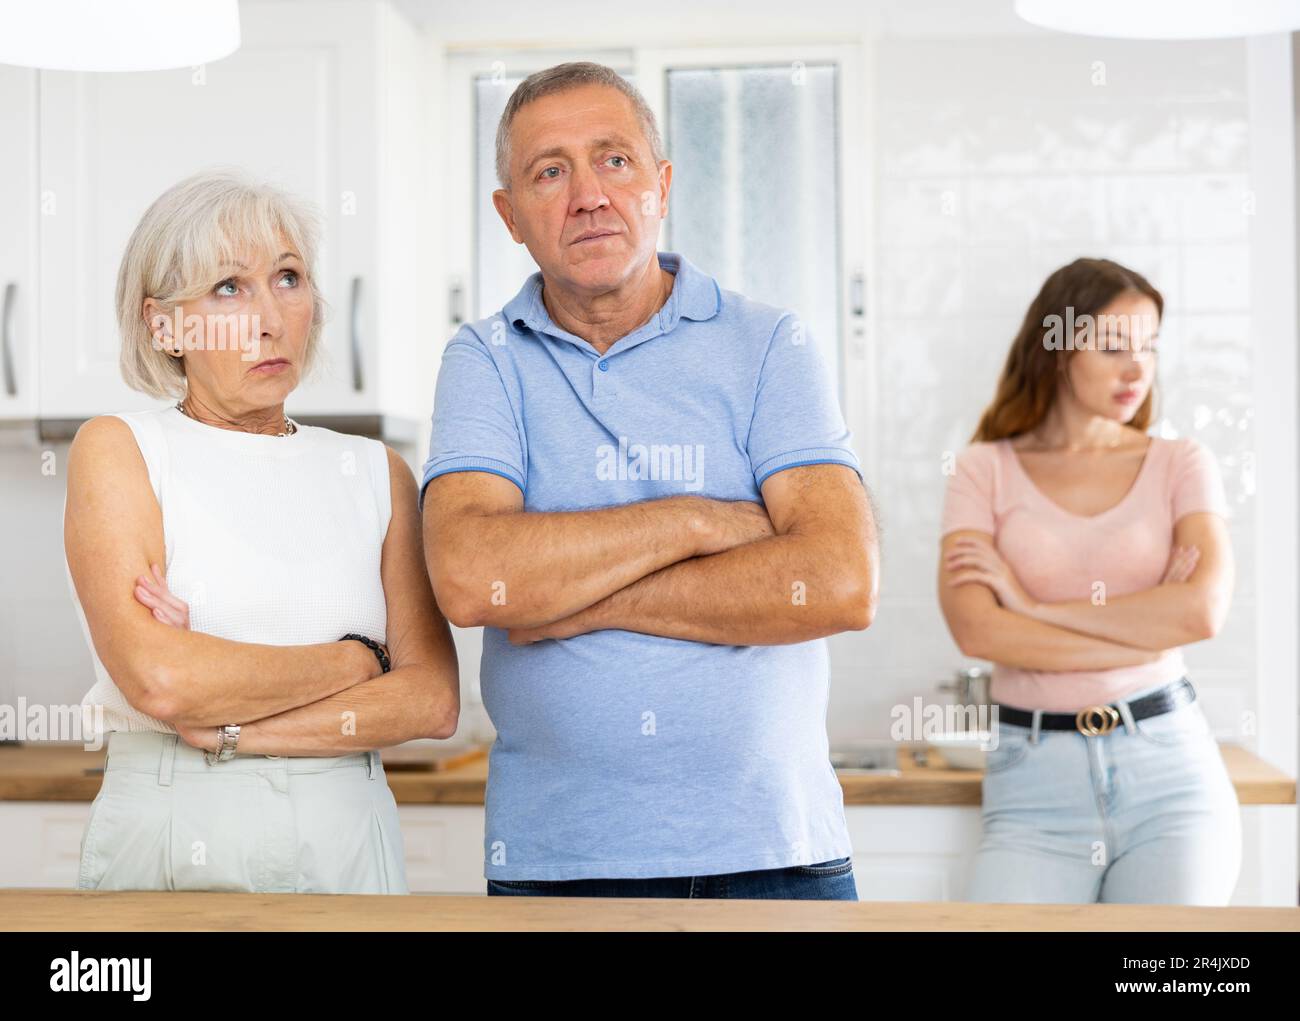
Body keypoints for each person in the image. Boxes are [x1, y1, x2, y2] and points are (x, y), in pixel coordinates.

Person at [421, 62, 879, 898]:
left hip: (777, 856)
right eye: (549, 171)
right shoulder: (482, 359)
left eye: (615, 160)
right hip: (559, 865)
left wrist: (576, 600)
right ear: (510, 215)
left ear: (661, 184)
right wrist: (704, 522)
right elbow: (470, 574)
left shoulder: (771, 343)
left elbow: (839, 579)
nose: (588, 194)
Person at [64, 169, 460, 894]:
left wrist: (232, 727)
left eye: (288, 277)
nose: (270, 318)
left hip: (348, 830)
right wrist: (355, 661)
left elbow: (430, 699)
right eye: (228, 287)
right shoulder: (119, 448)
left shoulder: (376, 470)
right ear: (164, 324)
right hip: (173, 822)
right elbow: (162, 678)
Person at [938, 257, 1240, 904]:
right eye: (1113, 347)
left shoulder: (1181, 463)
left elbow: (1201, 613)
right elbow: (976, 629)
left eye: (1149, 348)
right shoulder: (981, 469)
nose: (1138, 368)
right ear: (1056, 348)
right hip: (1033, 783)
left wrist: (1031, 606)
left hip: (1171, 777)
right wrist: (1146, 630)